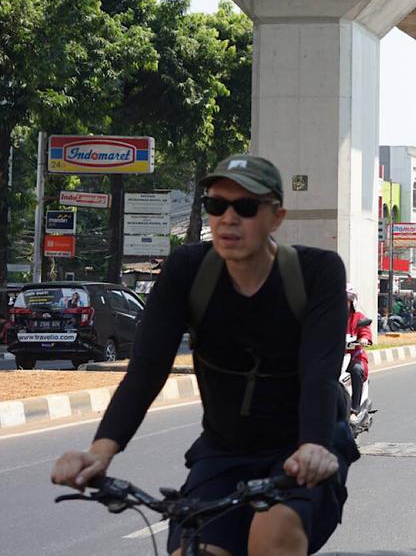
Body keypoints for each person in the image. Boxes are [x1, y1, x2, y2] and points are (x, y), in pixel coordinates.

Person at [51, 154, 357, 556]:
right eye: (216, 205)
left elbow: (319, 369)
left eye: (245, 207)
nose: (228, 218)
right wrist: (100, 452)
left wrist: (314, 444)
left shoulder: (317, 272)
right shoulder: (187, 270)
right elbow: (146, 370)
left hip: (300, 449)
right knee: (192, 549)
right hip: (224, 449)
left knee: (273, 532)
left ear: (276, 217)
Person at [345, 285, 373, 414]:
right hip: (334, 357)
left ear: (352, 302)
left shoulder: (358, 317)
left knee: (356, 370)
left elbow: (365, 332)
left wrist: (364, 339)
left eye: (346, 301)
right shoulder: (331, 318)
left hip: (354, 356)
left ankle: (355, 407)